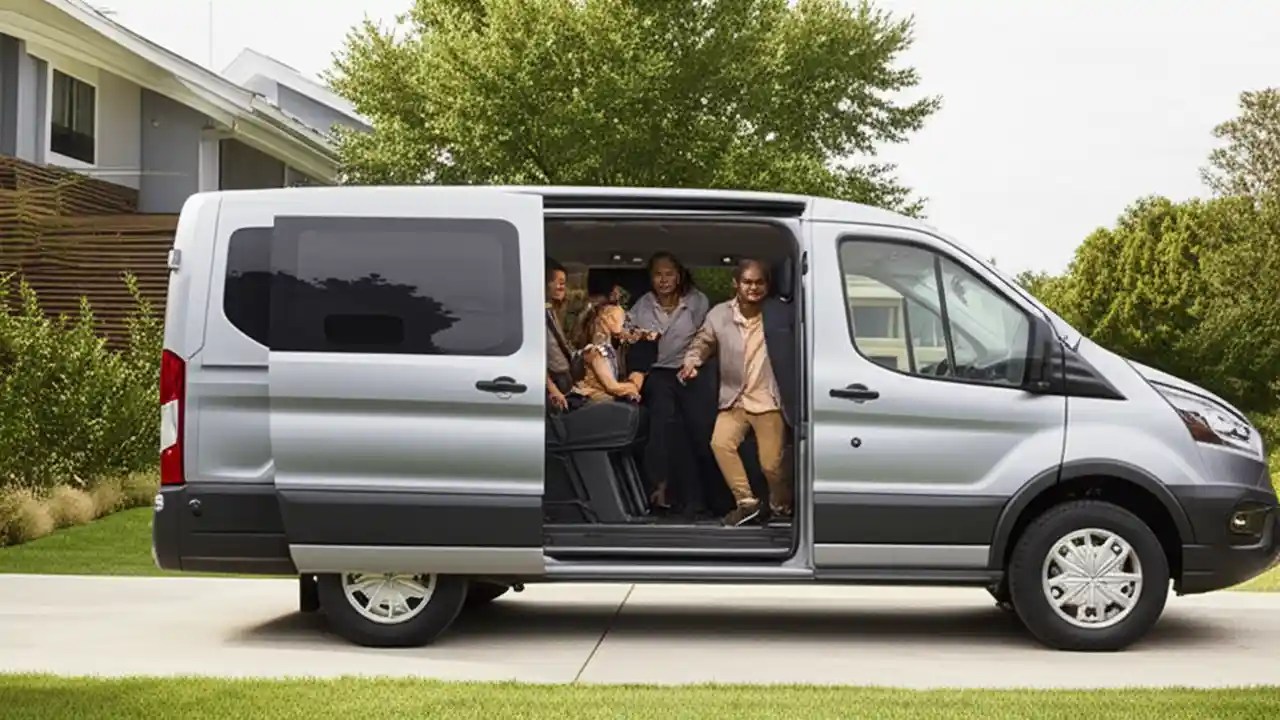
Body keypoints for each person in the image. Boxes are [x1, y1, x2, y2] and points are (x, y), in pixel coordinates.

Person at [679, 259, 793, 527]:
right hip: (735, 398)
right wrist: (692, 361)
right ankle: (747, 503)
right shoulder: (719, 314)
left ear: (767, 285)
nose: (753, 288)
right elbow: (702, 342)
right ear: (736, 284)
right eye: (747, 282)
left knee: (771, 466)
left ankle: (781, 506)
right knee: (720, 443)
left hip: (769, 400)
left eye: (759, 282)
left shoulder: (779, 313)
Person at [627, 252, 714, 514]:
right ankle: (658, 489)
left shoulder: (697, 301)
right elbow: (627, 339)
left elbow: (707, 338)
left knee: (698, 431)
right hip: (656, 373)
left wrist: (694, 362)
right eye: (657, 274)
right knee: (663, 424)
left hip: (690, 370)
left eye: (668, 274)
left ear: (678, 276)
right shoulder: (641, 306)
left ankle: (701, 501)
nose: (663, 280)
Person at [566, 295, 647, 408]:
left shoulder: (610, 351)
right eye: (623, 320)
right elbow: (612, 387)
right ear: (608, 319)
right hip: (591, 404)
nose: (625, 325)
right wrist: (632, 387)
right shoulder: (596, 352)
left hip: (604, 403)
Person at [545, 257, 577, 412]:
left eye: (564, 283)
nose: (562, 287)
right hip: (554, 383)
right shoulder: (536, 314)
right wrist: (553, 390)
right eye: (558, 282)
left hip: (563, 380)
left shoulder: (550, 311)